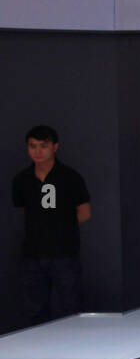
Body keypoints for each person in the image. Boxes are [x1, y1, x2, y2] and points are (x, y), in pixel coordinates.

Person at [12, 125, 90, 325]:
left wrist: (61, 229)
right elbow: (24, 210)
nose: (37, 151)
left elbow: (84, 212)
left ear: (55, 147)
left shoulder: (70, 177)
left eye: (43, 146)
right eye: (32, 146)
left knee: (71, 307)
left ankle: (76, 349)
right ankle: (40, 352)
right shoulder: (22, 180)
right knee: (34, 310)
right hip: (33, 254)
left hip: (64, 253)